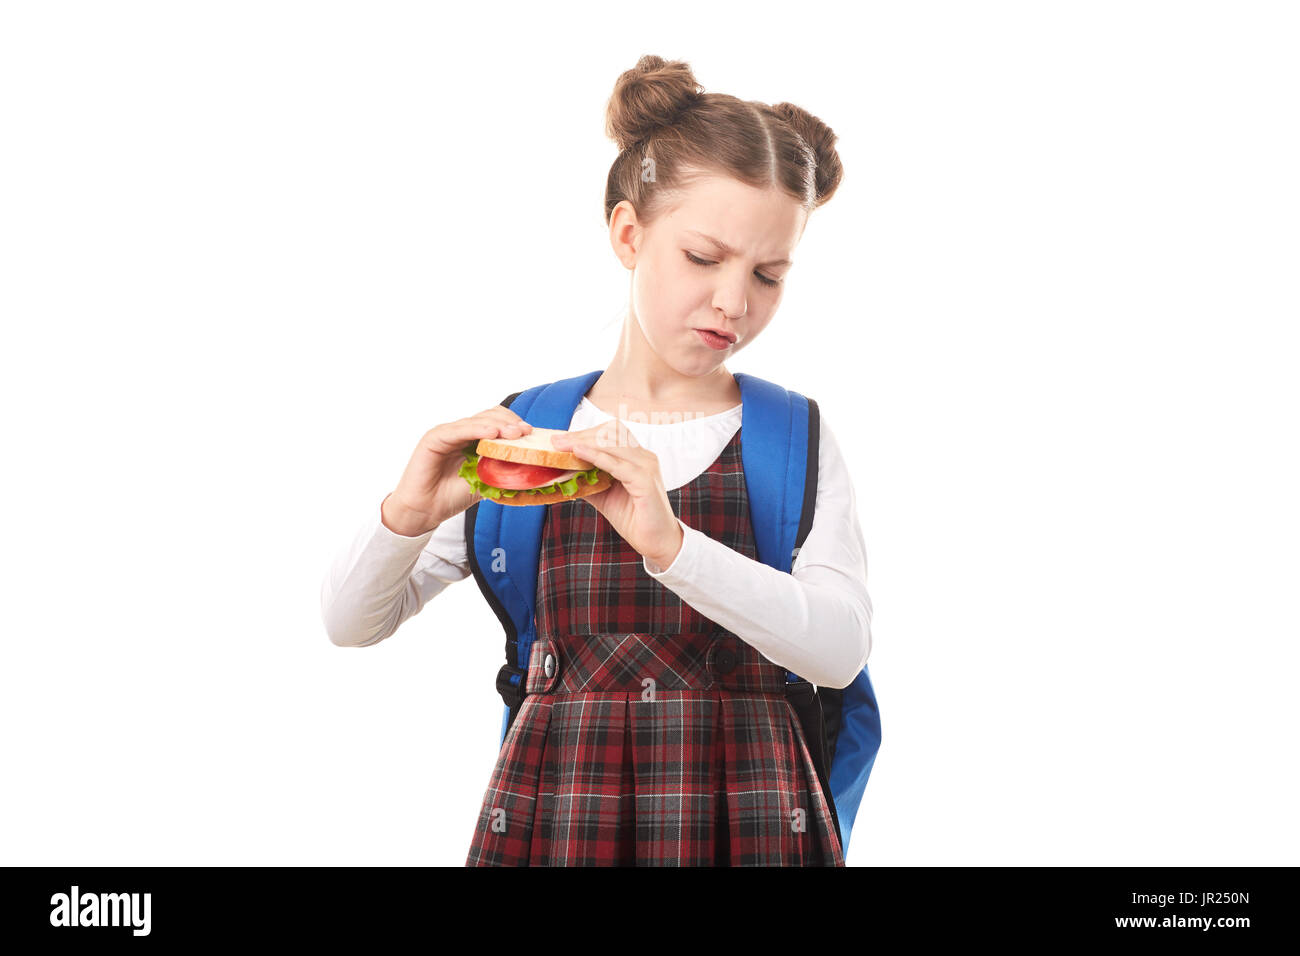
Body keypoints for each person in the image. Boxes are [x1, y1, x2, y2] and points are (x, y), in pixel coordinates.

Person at [320, 54, 874, 866]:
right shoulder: (529, 434)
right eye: (703, 257)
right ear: (628, 233)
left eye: (768, 275)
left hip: (752, 817)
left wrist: (673, 548)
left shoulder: (791, 437)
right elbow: (349, 623)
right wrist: (405, 515)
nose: (734, 301)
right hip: (562, 815)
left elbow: (841, 649)